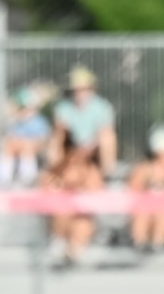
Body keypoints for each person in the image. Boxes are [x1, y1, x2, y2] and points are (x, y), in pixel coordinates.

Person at [45, 65, 117, 267]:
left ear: (91, 89)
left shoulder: (101, 108)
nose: (79, 93)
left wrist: (87, 151)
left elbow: (102, 135)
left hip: (90, 157)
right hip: (71, 157)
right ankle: (65, 242)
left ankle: (67, 243)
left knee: (106, 137)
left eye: (83, 89)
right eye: (76, 89)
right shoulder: (63, 109)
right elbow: (62, 137)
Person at [126, 124, 164, 252]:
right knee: (143, 211)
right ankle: (140, 244)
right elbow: (132, 195)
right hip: (146, 214)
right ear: (160, 152)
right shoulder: (142, 170)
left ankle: (158, 244)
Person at [0, 80, 55, 188]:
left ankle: (28, 179)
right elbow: (11, 136)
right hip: (20, 145)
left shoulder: (39, 122)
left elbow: (43, 139)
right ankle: (3, 179)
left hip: (34, 146)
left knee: (26, 146)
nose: (25, 112)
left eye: (27, 108)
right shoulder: (16, 122)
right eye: (22, 108)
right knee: (9, 146)